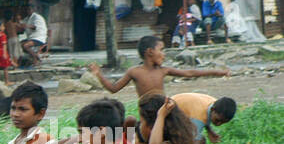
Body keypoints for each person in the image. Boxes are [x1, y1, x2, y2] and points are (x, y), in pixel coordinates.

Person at [91, 35, 229, 101]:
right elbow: (113, 89)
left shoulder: (163, 70)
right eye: (161, 50)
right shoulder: (134, 72)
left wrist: (219, 72)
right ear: (150, 52)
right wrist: (99, 74)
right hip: (146, 111)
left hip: (163, 108)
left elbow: (190, 73)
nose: (163, 54)